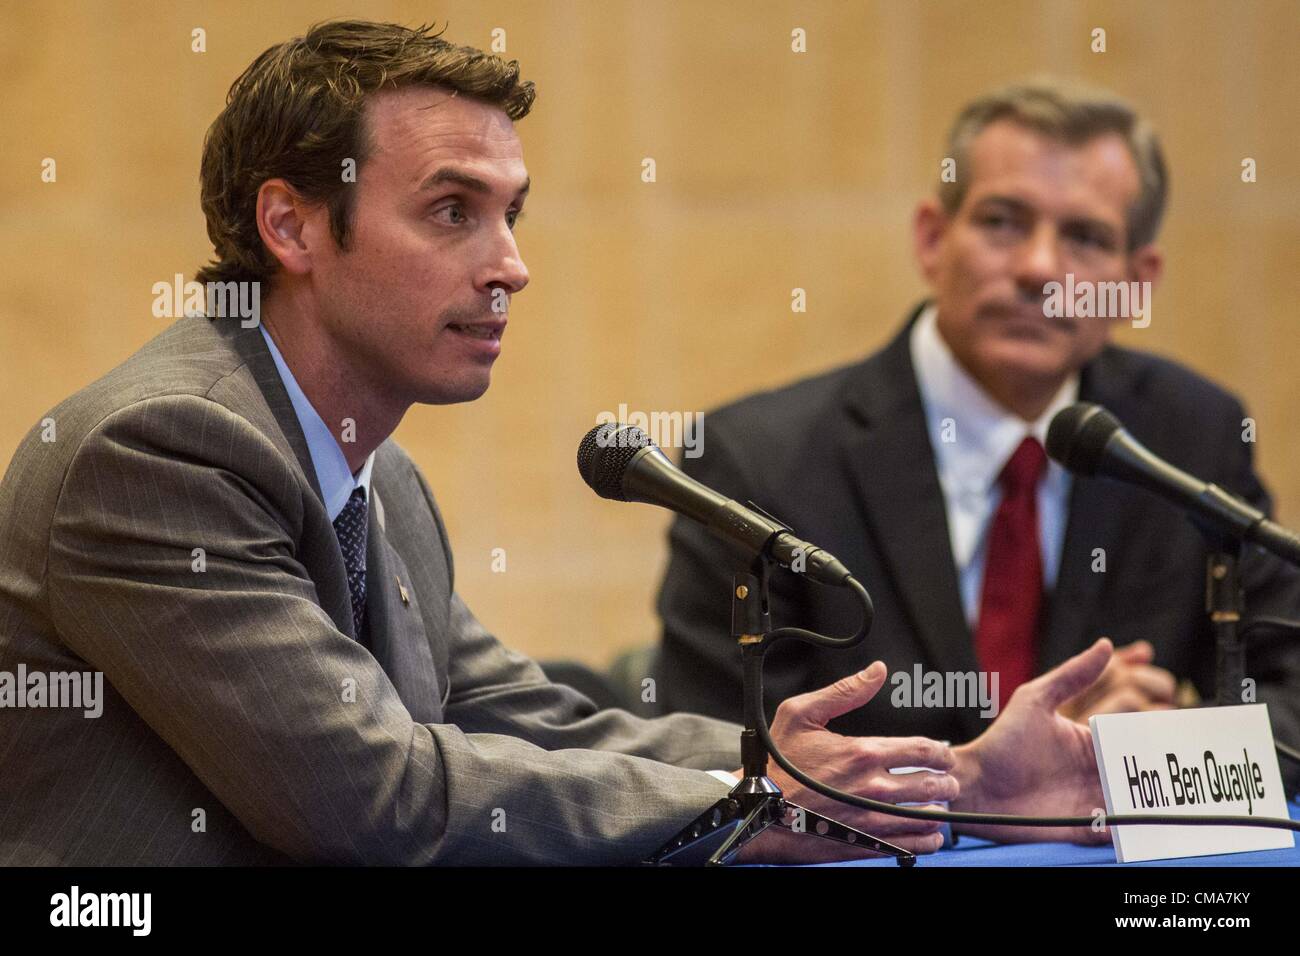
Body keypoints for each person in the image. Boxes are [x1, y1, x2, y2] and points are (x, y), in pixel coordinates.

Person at [0, 23, 1116, 866]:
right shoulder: (157, 453)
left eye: (511, 214)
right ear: (289, 223)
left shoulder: (374, 469)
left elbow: (529, 718)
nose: (509, 265)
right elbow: (366, 793)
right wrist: (764, 806)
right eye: (451, 211)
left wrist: (933, 774)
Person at [655, 79, 1300, 795]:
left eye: (1085, 238)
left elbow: (1290, 701)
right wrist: (1003, 776)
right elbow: (722, 762)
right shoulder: (756, 463)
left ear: (1137, 282)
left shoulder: (1191, 436)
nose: (1039, 270)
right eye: (1002, 222)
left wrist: (1137, 757)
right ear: (933, 239)